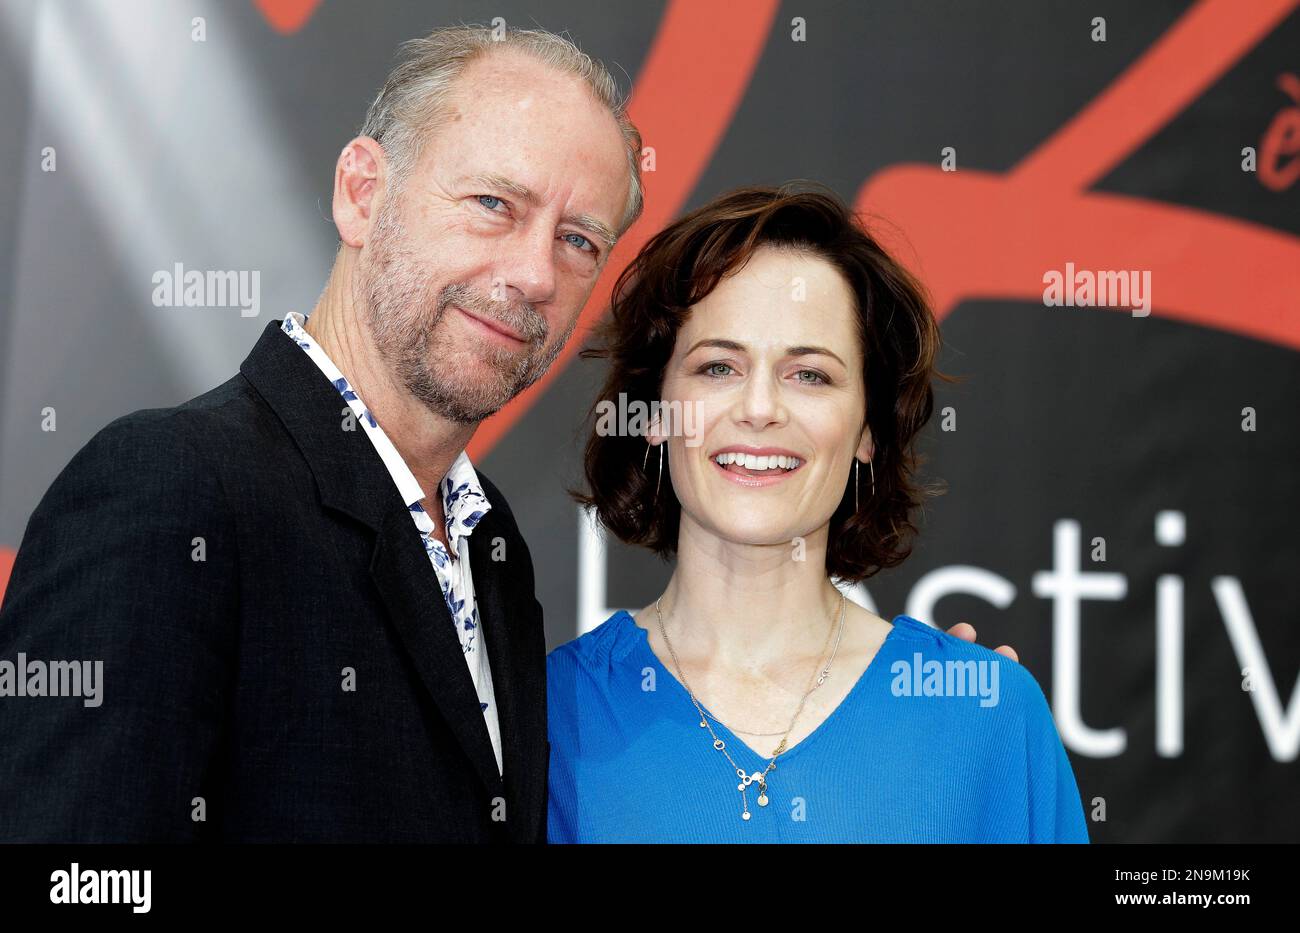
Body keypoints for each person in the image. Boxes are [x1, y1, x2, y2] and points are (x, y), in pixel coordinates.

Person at [0, 25, 1015, 843]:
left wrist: (930, 720)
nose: (533, 274)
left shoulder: (491, 556)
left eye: (578, 240)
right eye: (494, 203)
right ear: (364, 191)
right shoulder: (173, 486)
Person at [549, 183, 1089, 843]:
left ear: (867, 430)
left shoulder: (986, 712)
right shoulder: (549, 715)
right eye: (717, 366)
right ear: (655, 412)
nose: (759, 407)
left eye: (810, 374)